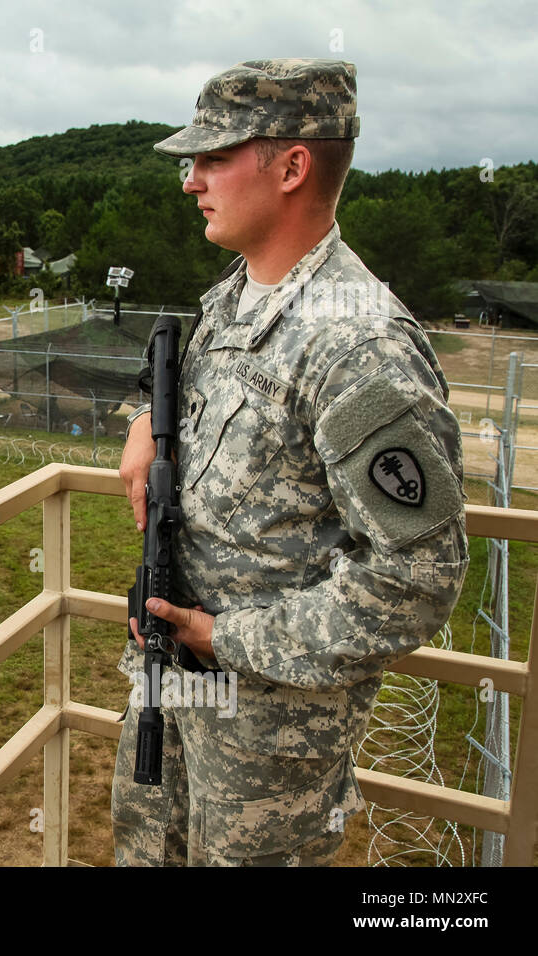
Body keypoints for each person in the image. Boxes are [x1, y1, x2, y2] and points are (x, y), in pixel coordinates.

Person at [111, 59, 469, 866]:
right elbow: (191, 393)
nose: (190, 181)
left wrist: (226, 637)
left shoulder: (358, 344)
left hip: (268, 739)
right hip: (171, 687)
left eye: (213, 158)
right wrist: (144, 418)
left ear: (293, 167)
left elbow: (419, 580)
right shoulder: (234, 298)